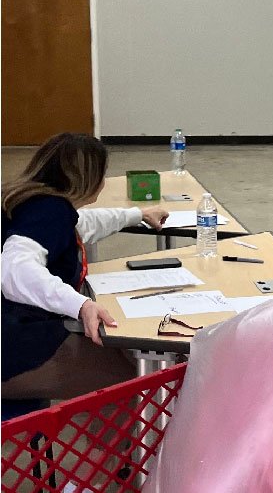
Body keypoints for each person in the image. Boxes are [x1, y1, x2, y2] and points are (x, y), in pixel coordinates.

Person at [2, 133, 169, 404]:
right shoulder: (50, 212)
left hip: (13, 336)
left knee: (121, 349)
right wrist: (80, 305)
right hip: (12, 349)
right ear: (90, 180)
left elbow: (82, 224)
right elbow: (13, 269)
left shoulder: (31, 202)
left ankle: (118, 443)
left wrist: (137, 214)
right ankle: (124, 446)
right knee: (140, 378)